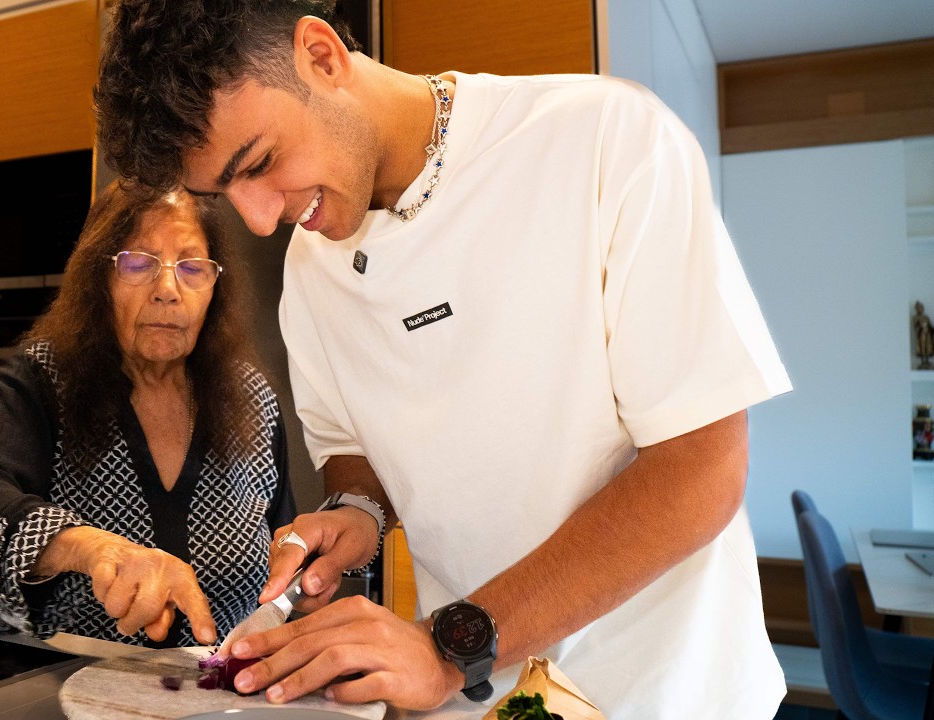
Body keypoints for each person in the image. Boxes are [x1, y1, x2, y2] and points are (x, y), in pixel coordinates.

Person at [93, 1, 794, 718]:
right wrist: (356, 514)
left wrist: (450, 647)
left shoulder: (608, 140)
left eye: (261, 163)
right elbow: (358, 459)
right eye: (226, 192)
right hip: (477, 701)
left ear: (321, 56)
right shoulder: (310, 269)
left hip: (666, 693)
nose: (261, 219)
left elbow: (701, 469)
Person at [0, 180, 296, 648]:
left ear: (216, 287)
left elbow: (285, 554)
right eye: (139, 263)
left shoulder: (251, 397)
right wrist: (92, 548)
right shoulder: (44, 378)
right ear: (100, 280)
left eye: (192, 267)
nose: (167, 289)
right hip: (67, 681)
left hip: (225, 685)